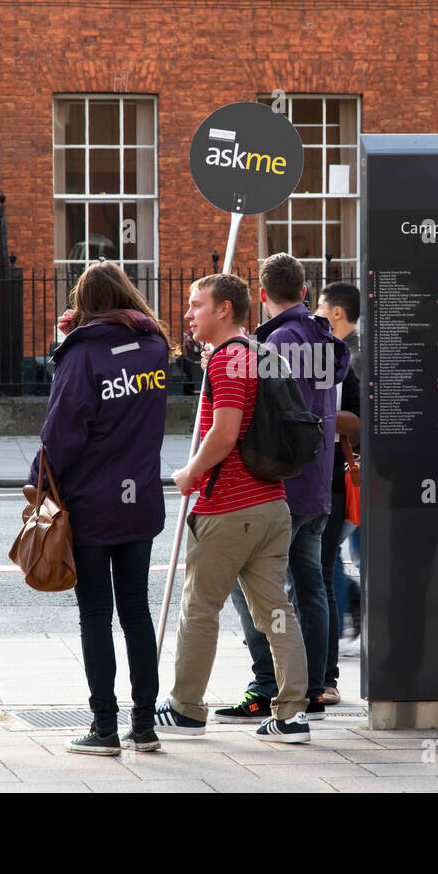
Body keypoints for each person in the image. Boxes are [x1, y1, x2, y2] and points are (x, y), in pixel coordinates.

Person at [156, 273, 314, 743]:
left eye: (196, 305)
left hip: (228, 509)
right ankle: (292, 715)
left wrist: (190, 475)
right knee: (278, 613)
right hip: (271, 505)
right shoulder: (257, 355)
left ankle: (186, 709)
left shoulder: (227, 363)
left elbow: (224, 434)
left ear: (225, 309)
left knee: (199, 608)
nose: (188, 314)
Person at [30, 261, 170, 756]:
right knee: (136, 610)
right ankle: (146, 726)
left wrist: (38, 482)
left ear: (83, 304)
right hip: (141, 499)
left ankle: (104, 727)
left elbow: (62, 432)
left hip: (91, 502)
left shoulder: (82, 356)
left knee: (95, 614)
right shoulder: (155, 347)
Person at [212, 255, 349, 726]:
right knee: (310, 584)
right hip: (319, 482)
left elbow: (265, 415)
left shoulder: (274, 343)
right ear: (306, 291)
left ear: (263, 294)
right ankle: (312, 687)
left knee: (250, 585)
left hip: (283, 483)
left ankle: (267, 683)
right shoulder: (323, 336)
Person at [313, 282, 361, 703]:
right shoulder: (310, 353)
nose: (316, 313)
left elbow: (360, 426)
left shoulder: (347, 362)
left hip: (330, 484)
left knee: (322, 576)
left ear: (338, 313)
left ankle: (325, 678)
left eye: (321, 307)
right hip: (310, 483)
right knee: (312, 578)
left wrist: (318, 414)